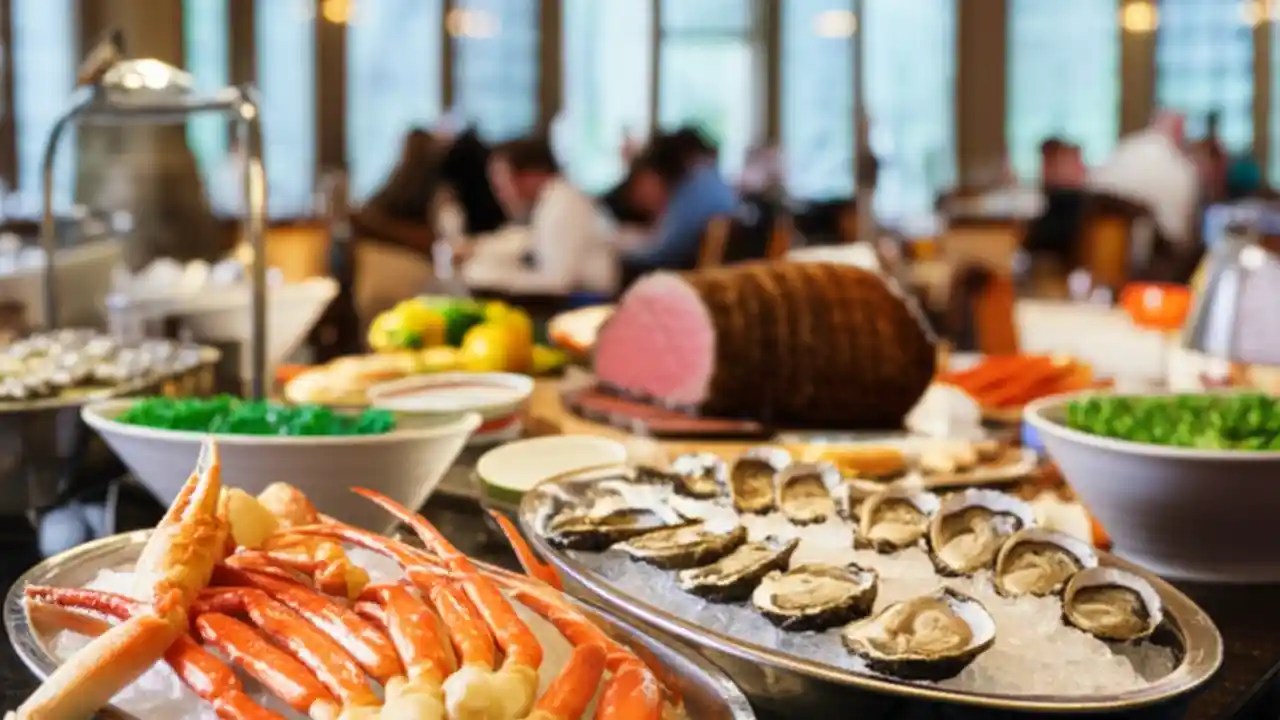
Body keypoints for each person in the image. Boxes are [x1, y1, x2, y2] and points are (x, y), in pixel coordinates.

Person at [461, 136, 617, 297]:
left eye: (503, 182)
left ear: (531, 175)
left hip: (585, 302)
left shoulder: (563, 205)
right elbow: (527, 238)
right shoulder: (553, 199)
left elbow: (558, 282)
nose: (501, 194)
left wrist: (489, 278)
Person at [621, 128, 738, 280]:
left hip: (687, 285)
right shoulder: (718, 185)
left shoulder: (697, 188)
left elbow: (661, 252)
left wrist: (618, 245)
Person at [1089, 111, 1198, 248]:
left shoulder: (1123, 151)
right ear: (1179, 132)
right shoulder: (1181, 168)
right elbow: (1180, 234)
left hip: (1102, 244)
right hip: (1154, 254)